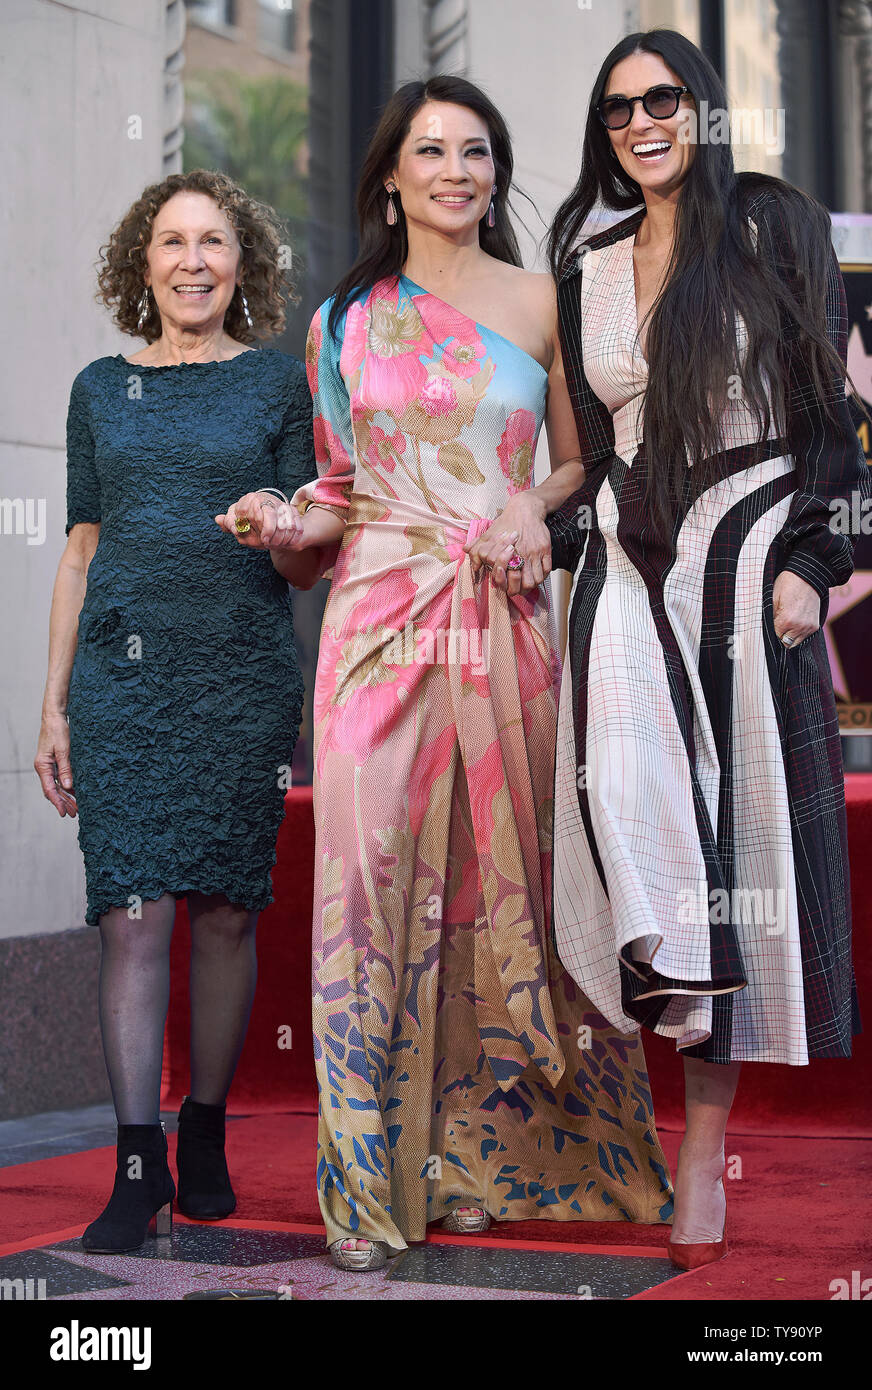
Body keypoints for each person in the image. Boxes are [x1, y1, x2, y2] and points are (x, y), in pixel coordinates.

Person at [222, 75, 673, 1272]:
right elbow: (335, 491)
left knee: (490, 889)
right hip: (374, 625)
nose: (456, 171)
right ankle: (362, 1185)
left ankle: (470, 1160)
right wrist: (280, 521)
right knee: (364, 897)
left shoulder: (542, 301)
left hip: (505, 626)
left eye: (476, 152)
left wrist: (527, 501)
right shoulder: (340, 321)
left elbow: (586, 462)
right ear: (389, 177)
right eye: (430, 152)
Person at [534, 29, 871, 1269]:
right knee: (629, 822)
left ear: (700, 106)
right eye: (617, 108)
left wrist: (810, 564)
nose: (640, 122)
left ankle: (697, 1153)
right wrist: (535, 528)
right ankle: (630, 1112)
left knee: (728, 848)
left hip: (744, 574)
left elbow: (837, 425)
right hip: (626, 570)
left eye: (661, 97)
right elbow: (589, 455)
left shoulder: (773, 227)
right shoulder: (587, 265)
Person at [34, 170, 317, 1253]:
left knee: (227, 911)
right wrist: (53, 706)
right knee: (132, 913)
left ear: (241, 264)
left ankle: (205, 1129)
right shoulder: (100, 388)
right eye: (171, 242)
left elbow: (305, 557)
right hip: (121, 685)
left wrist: (280, 526)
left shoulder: (277, 387)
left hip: (241, 676)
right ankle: (136, 1160)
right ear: (140, 262)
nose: (192, 260)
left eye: (213, 242)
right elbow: (81, 546)